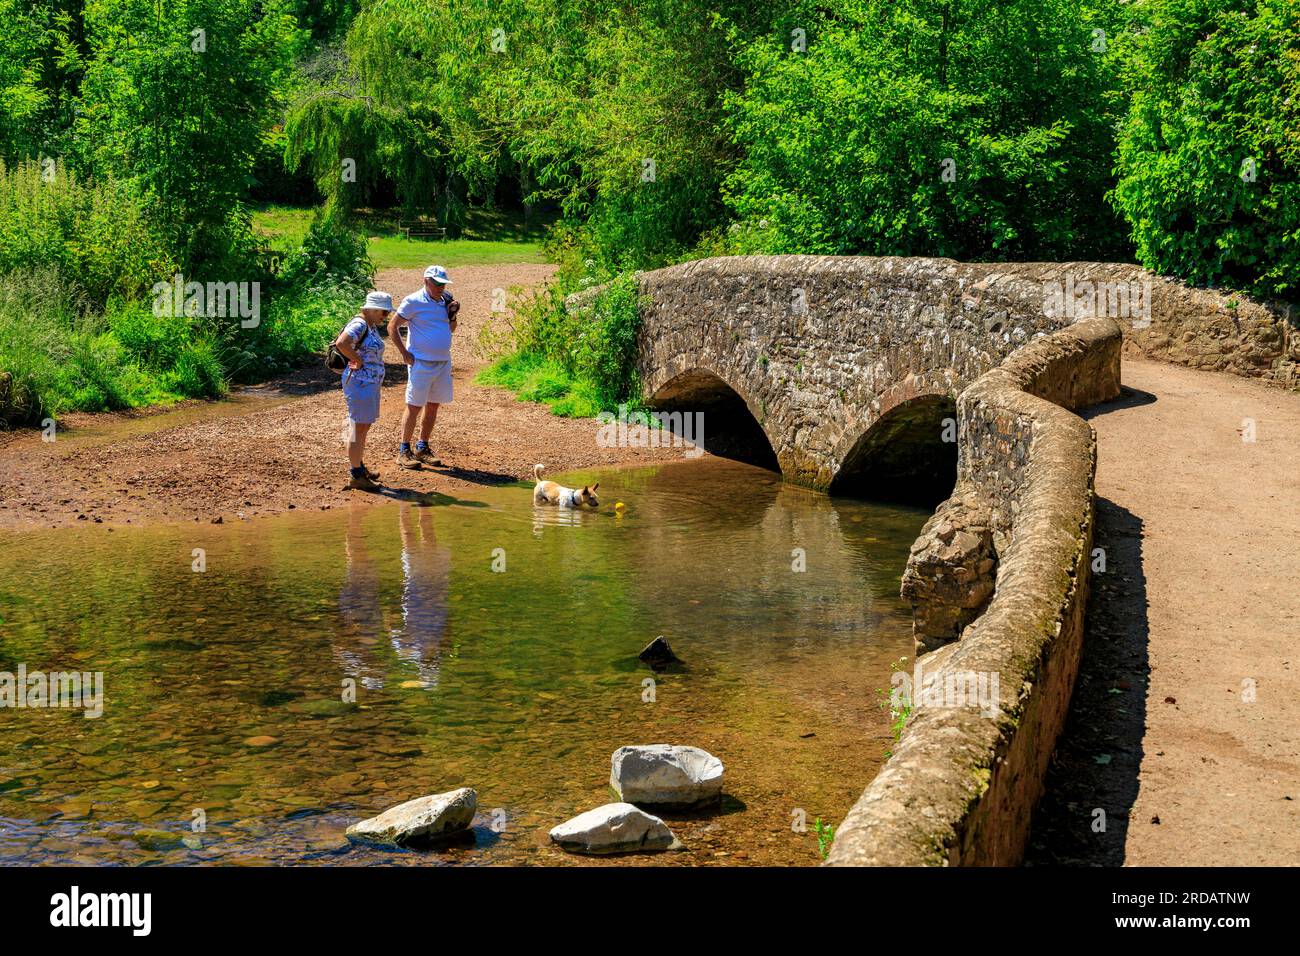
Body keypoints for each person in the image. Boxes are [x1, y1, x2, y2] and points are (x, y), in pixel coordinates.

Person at [388, 265, 460, 469]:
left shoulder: (446, 300)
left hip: (443, 362)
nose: (440, 287)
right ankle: (403, 451)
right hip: (421, 362)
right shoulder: (413, 301)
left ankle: (422, 447)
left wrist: (452, 315)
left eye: (443, 283)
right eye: (436, 283)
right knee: (414, 406)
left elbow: (451, 329)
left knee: (433, 405)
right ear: (426, 281)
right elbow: (392, 326)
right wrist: (404, 353)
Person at [333, 290, 393, 489]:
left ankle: (358, 465)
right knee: (358, 426)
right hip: (359, 382)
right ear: (372, 309)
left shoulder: (370, 324)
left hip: (367, 383)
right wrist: (356, 359)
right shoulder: (359, 324)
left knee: (362, 425)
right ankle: (355, 473)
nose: (386, 316)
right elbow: (342, 343)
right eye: (384, 312)